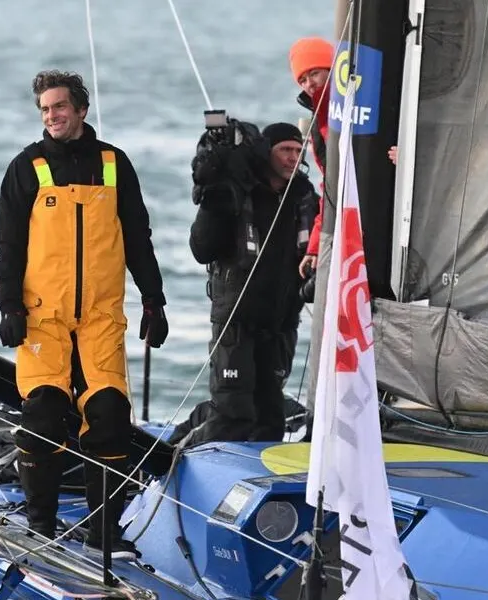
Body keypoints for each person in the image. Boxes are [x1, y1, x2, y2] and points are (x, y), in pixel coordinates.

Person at [0, 70, 168, 559]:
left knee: (109, 415)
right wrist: (9, 306)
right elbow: (8, 244)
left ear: (81, 109)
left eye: (60, 107)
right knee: (43, 413)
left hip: (99, 318)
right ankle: (40, 527)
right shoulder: (26, 167)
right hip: (42, 318)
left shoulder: (114, 163)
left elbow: (137, 237)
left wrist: (153, 299)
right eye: (45, 109)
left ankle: (102, 535)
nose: (51, 116)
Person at [169, 121, 318, 446]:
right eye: (285, 150)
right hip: (236, 320)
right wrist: (215, 197)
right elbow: (201, 249)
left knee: (269, 418)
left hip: (280, 325)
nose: (293, 157)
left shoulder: (305, 198)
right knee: (232, 414)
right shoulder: (240, 194)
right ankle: (179, 456)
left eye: (298, 150)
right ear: (267, 152)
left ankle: (248, 465)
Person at [288, 37, 334, 281]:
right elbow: (331, 185)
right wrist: (315, 246)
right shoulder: (319, 121)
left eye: (314, 73)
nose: (309, 84)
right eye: (302, 80)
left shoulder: (360, 103)